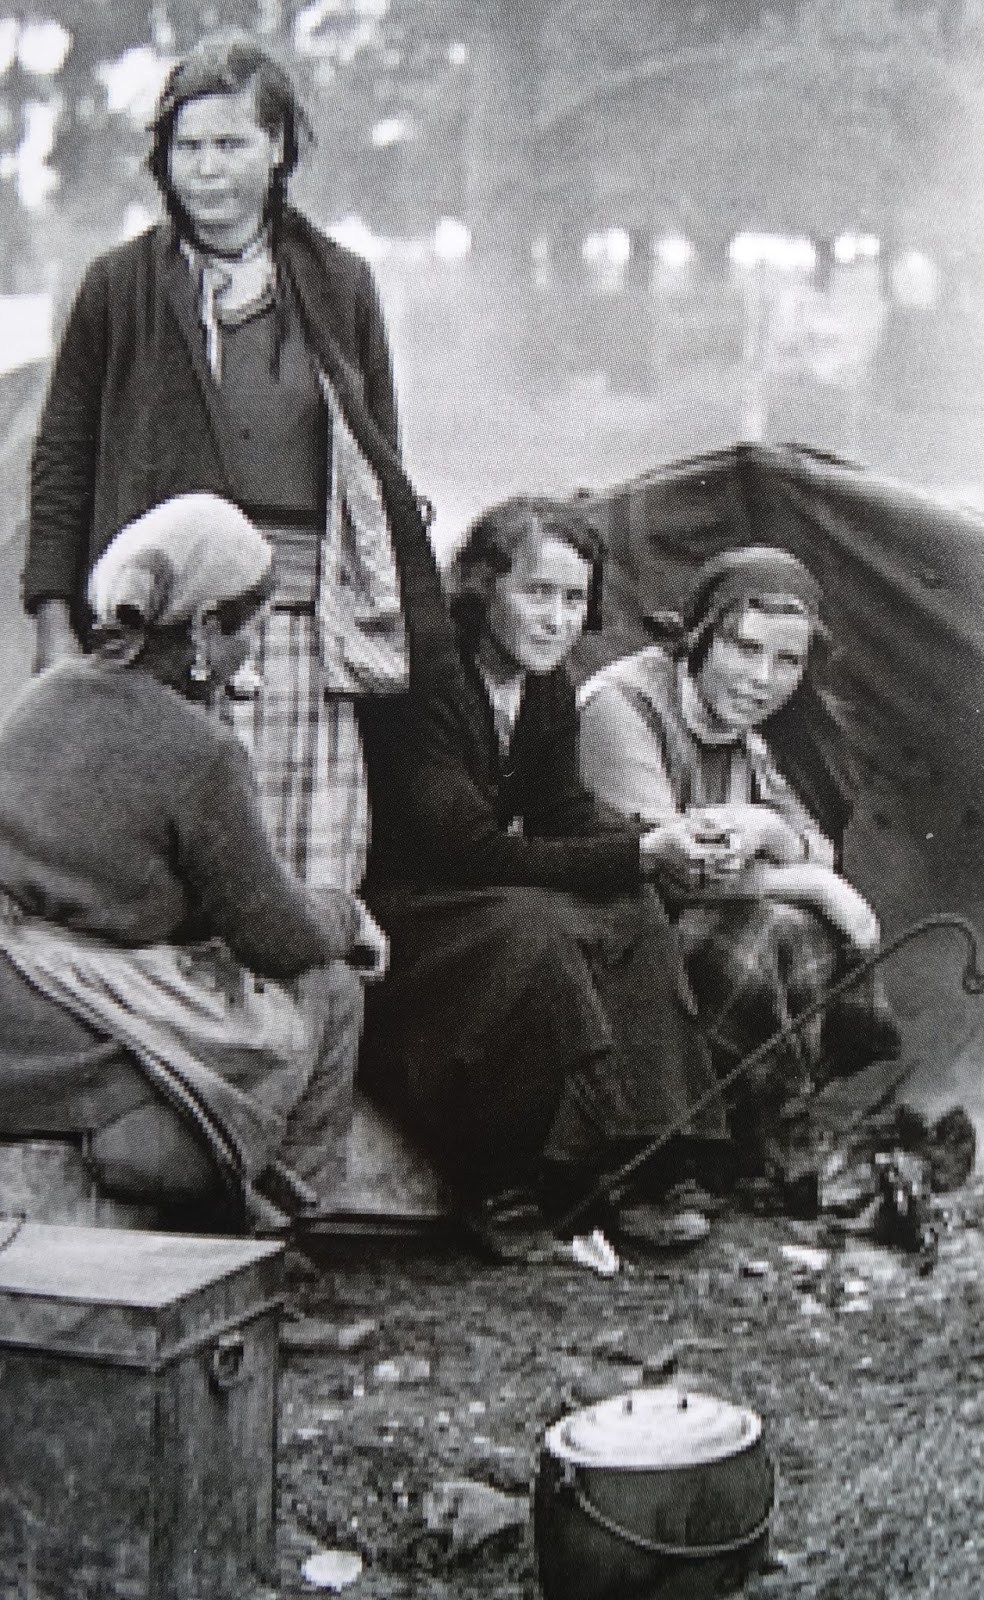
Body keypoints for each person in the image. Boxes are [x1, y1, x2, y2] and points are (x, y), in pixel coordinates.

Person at [23, 30, 413, 896]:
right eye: (186, 146)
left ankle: (301, 1031)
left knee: (302, 877)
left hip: (306, 634)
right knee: (164, 875)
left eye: (230, 144)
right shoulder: (117, 288)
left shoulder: (341, 285)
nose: (206, 168)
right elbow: (63, 461)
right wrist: (55, 623)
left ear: (278, 150)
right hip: (157, 633)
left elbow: (379, 470)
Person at [0, 494, 389, 1229]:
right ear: (209, 626)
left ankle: (174, 1144)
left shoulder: (43, 695)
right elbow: (277, 937)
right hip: (67, 1006)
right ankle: (272, 1242)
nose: (256, 652)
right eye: (254, 631)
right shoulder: (202, 753)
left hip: (16, 1001)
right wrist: (348, 914)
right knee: (332, 989)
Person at [358, 495, 730, 1248]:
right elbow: (467, 849)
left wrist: (655, 838)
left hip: (481, 890)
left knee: (632, 906)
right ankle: (502, 1177)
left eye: (573, 599)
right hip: (411, 909)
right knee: (540, 933)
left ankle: (644, 1161)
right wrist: (635, 850)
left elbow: (561, 809)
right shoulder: (426, 683)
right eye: (538, 594)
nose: (558, 620)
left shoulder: (546, 684)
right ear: (484, 587)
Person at [579, 545, 900, 1180]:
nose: (763, 678)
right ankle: (704, 1142)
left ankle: (760, 1123)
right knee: (770, 926)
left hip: (685, 918)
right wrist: (811, 883)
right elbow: (673, 870)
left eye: (788, 661)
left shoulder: (758, 724)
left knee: (804, 925)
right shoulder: (622, 705)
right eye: (745, 648)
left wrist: (771, 826)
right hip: (609, 935)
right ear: (699, 638)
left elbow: (818, 843)